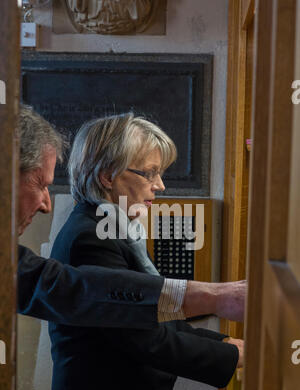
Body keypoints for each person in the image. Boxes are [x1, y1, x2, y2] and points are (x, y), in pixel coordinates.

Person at [49, 113, 243, 390]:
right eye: (149, 173)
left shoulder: (112, 226)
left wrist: (224, 341)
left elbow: (153, 313)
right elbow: (144, 340)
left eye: (161, 173)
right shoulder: (91, 239)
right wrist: (234, 356)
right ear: (107, 175)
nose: (160, 185)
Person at [18, 104, 246, 328]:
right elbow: (80, 292)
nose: (47, 205)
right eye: (149, 173)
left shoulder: (121, 227)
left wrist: (219, 311)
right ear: (107, 177)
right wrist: (216, 299)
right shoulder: (91, 233)